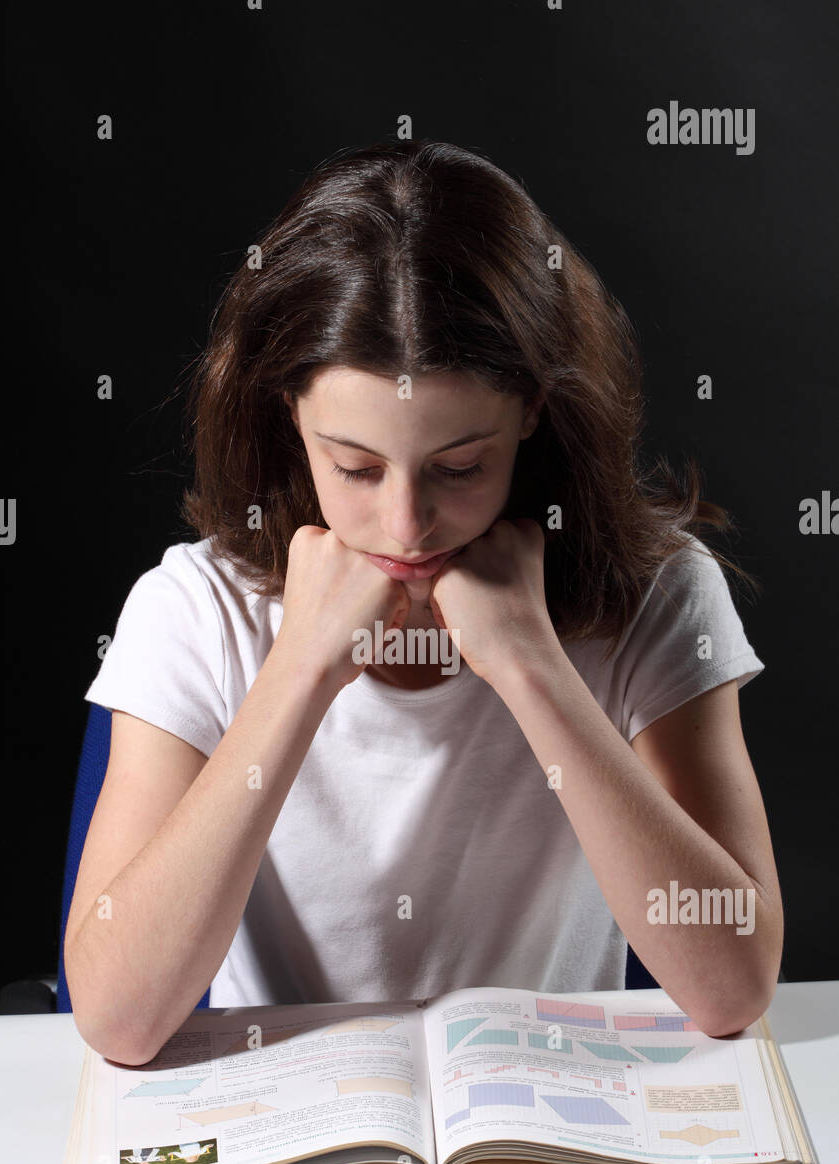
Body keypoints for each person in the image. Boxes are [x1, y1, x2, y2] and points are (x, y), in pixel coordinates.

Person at [64, 137, 783, 1067]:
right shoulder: (193, 610)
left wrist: (532, 665)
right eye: (355, 467)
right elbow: (119, 1021)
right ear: (289, 413)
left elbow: (734, 991)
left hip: (542, 1138)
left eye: (459, 466)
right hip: (292, 1161)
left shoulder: (658, 595)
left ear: (531, 409)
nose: (405, 524)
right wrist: (300, 670)